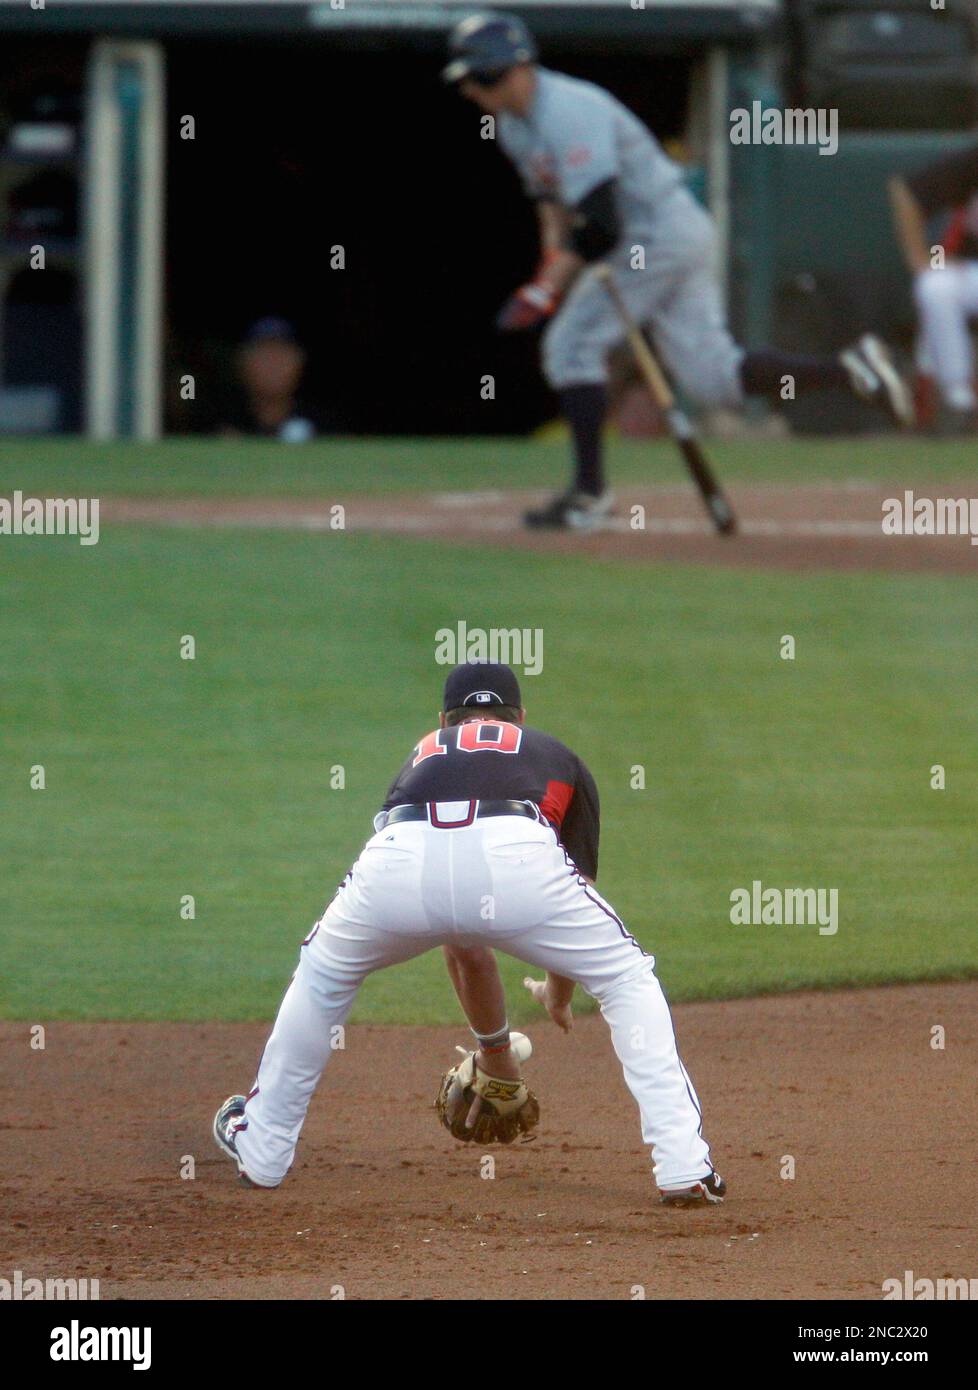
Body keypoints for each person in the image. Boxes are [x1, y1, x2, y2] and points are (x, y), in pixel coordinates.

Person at [214, 660, 725, 1207]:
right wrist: (557, 993)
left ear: (444, 719)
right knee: (627, 979)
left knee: (321, 976)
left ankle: (263, 1147)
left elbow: (461, 940)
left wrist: (497, 1050)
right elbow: (573, 892)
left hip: (400, 860)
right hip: (516, 853)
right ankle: (682, 1166)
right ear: (521, 718)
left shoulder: (425, 750)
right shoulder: (554, 754)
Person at [444, 12, 911, 530]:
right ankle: (851, 371)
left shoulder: (568, 111)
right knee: (713, 378)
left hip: (656, 236)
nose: (474, 90)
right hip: (661, 236)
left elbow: (602, 225)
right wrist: (546, 275)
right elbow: (552, 203)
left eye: (483, 75)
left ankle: (590, 495)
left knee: (571, 346)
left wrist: (549, 288)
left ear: (516, 68)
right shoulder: (513, 127)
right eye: (470, 79)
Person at [890, 144, 978, 435]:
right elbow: (904, 192)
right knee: (935, 286)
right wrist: (919, 258)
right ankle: (959, 401)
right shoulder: (970, 162)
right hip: (970, 270)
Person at [218, 317, 320, 441]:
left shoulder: (325, 424)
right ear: (242, 363)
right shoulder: (220, 421)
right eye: (265, 355)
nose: (274, 365)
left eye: (282, 355)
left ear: (299, 363)